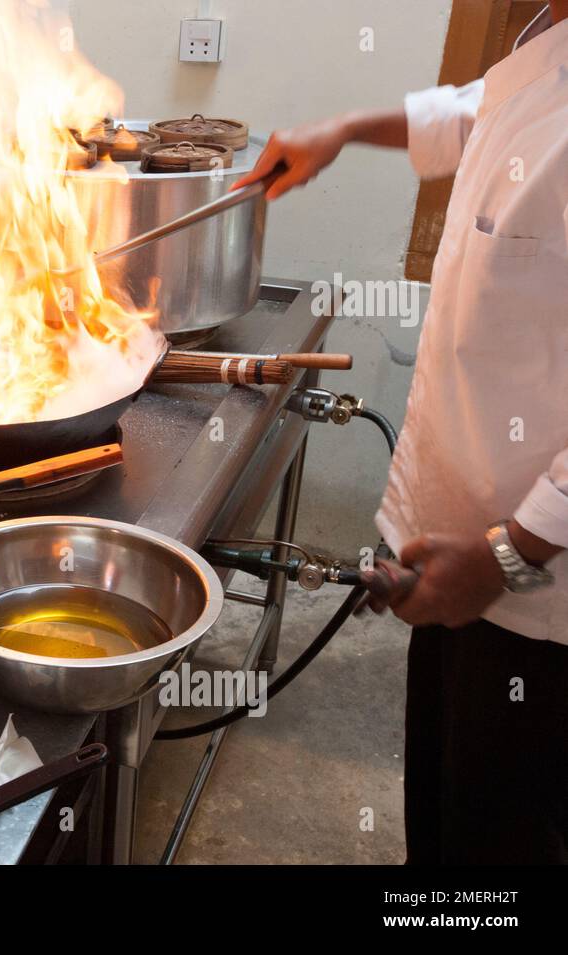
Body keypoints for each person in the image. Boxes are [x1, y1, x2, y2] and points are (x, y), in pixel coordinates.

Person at [234, 3, 568, 864]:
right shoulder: (545, 33)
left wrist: (506, 555)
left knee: (499, 849)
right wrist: (341, 128)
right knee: (444, 826)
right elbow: (481, 113)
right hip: (462, 567)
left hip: (537, 605)